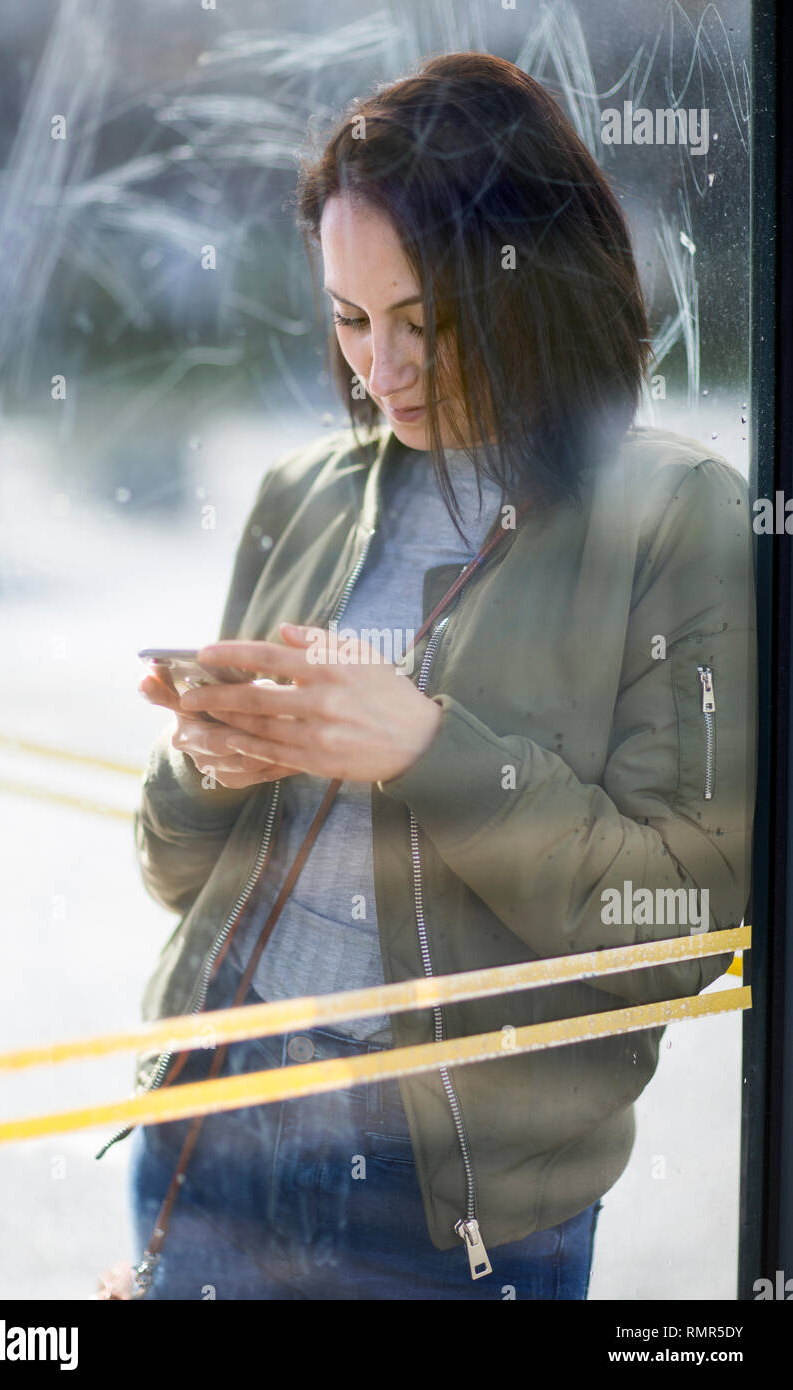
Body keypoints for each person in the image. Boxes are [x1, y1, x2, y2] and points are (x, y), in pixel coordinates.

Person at [103, 51, 756, 1300]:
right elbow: (169, 871)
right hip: (215, 1131)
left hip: (445, 1208)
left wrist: (424, 747)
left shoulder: (675, 520)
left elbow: (678, 930)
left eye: (426, 322)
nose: (379, 372)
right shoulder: (301, 496)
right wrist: (203, 766)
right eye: (349, 321)